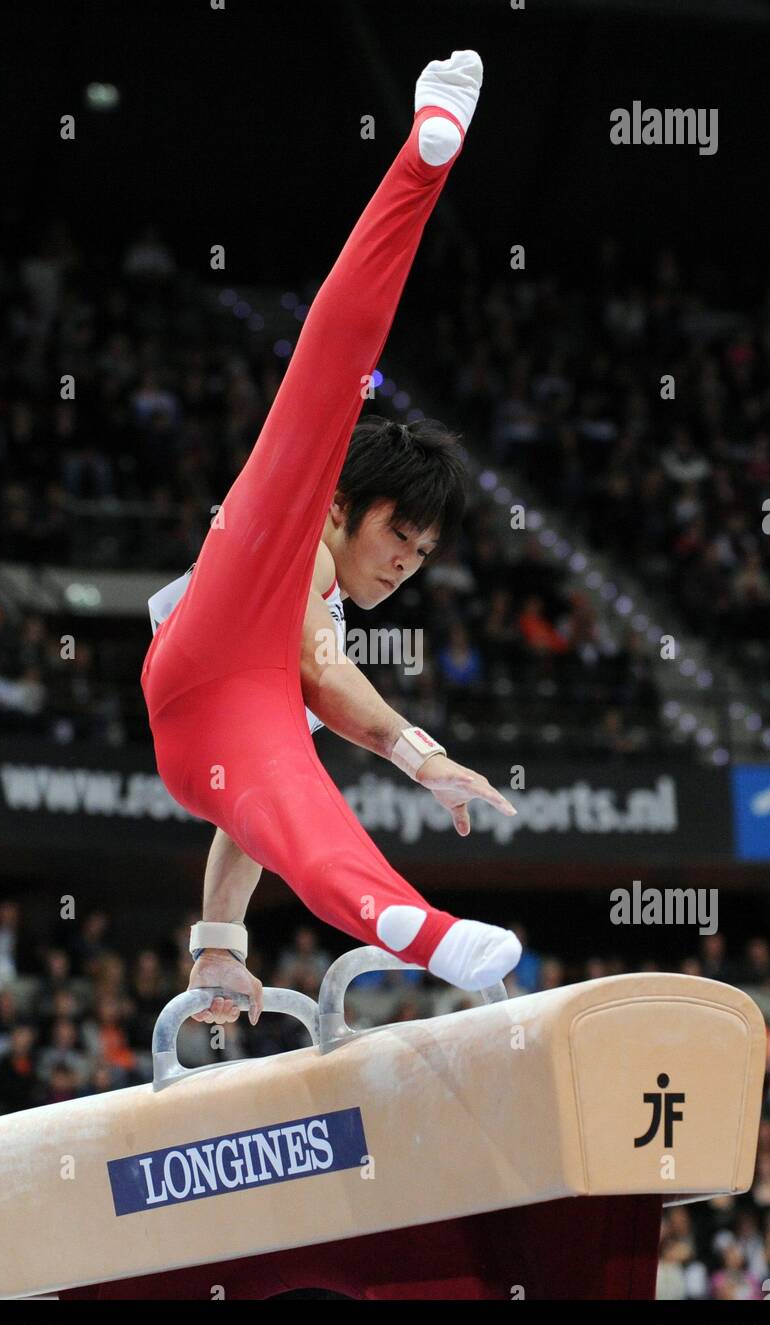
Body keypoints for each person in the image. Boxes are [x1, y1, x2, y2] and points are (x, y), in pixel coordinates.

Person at [141, 52, 521, 1029]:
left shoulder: (319, 627)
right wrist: (418, 753)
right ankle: (421, 160)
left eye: (426, 554)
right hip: (226, 626)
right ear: (353, 509)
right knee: (323, 385)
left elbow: (247, 811)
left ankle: (413, 925)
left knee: (295, 805)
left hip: (226, 722)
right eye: (400, 532)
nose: (406, 561)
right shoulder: (308, 550)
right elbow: (315, 652)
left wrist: (219, 945)